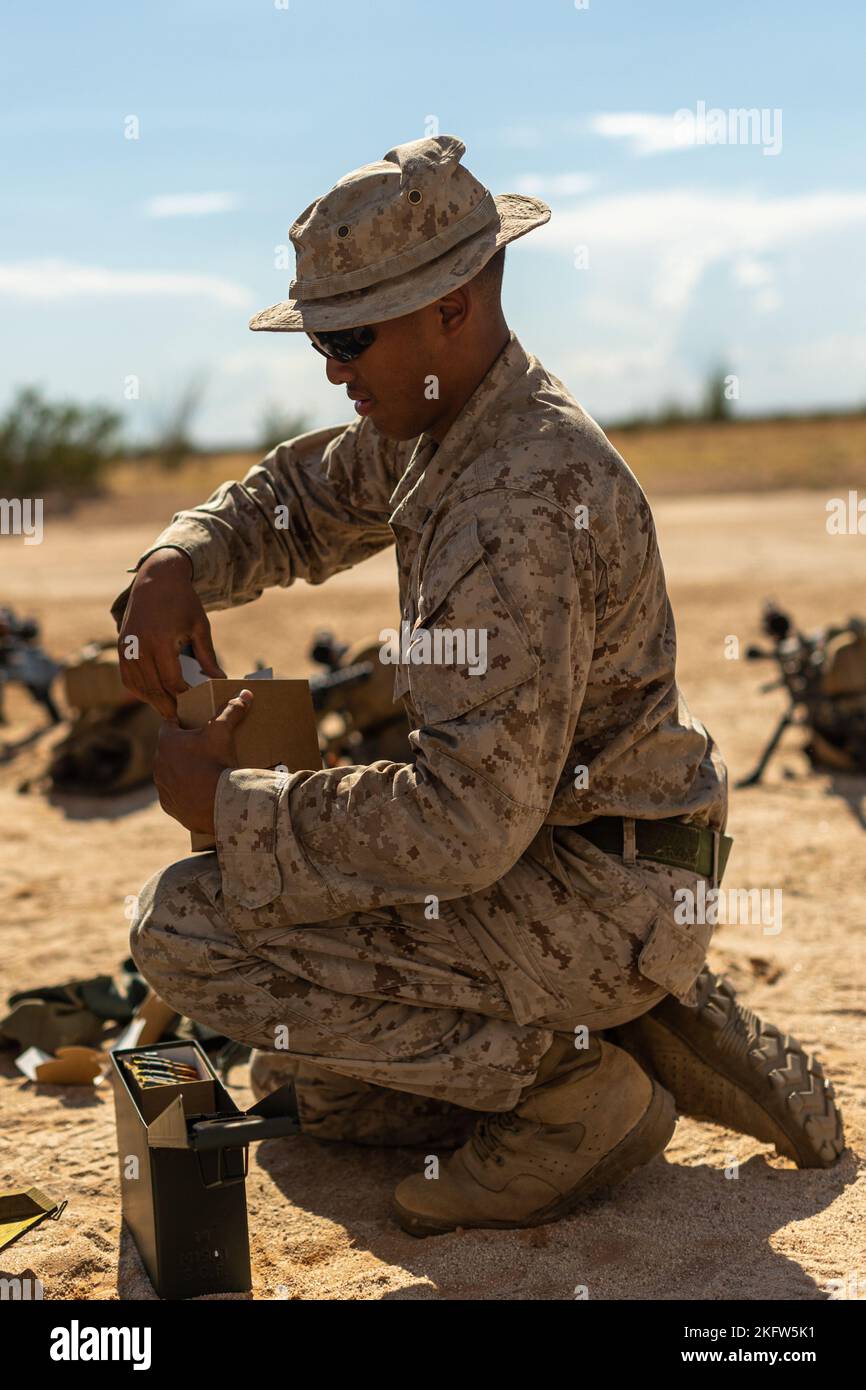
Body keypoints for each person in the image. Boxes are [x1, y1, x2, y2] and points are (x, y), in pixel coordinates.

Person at [112, 135, 842, 1237]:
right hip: (582, 851)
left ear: (451, 306)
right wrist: (179, 559)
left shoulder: (514, 502)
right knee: (333, 1100)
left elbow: (461, 827)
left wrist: (233, 811)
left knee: (184, 927)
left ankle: (569, 1088)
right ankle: (624, 1025)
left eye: (349, 337)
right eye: (320, 337)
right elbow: (301, 501)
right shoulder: (444, 422)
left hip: (588, 883)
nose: (330, 369)